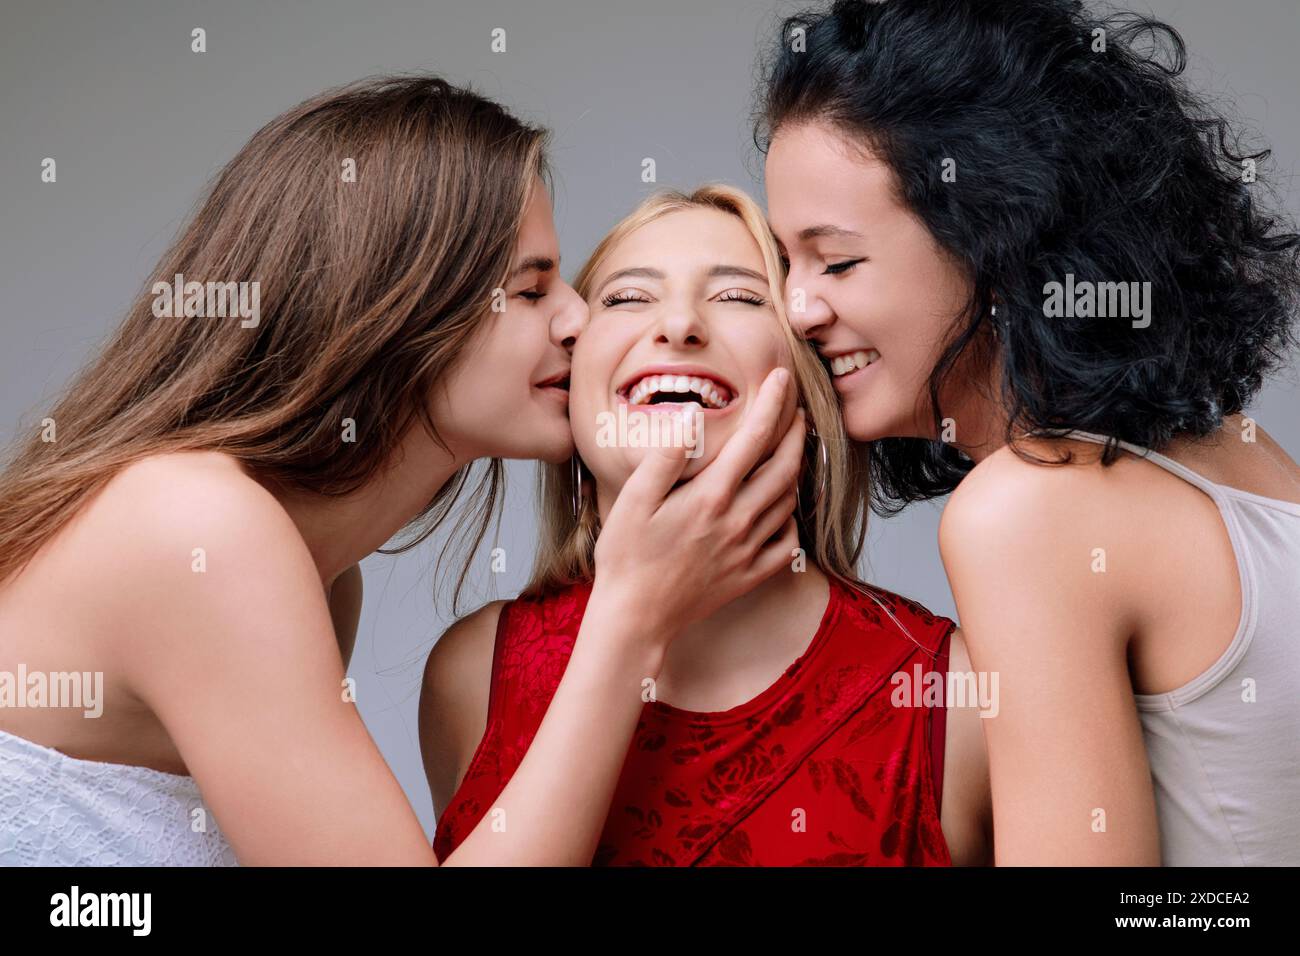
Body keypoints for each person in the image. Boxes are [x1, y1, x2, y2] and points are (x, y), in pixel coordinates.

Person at [0, 76, 803, 866]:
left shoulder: (324, 579)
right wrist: (632, 617)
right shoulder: (196, 528)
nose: (577, 316)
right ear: (399, 310)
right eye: (530, 290)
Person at [759, 0, 1300, 864]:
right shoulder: (1239, 451)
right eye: (786, 262)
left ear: (994, 237)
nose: (798, 307)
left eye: (840, 260)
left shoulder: (1028, 511)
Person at [422, 185, 992, 866]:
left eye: (741, 298)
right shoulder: (471, 674)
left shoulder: (952, 697)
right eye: (628, 297)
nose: (680, 325)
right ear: (569, 375)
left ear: (810, 377)